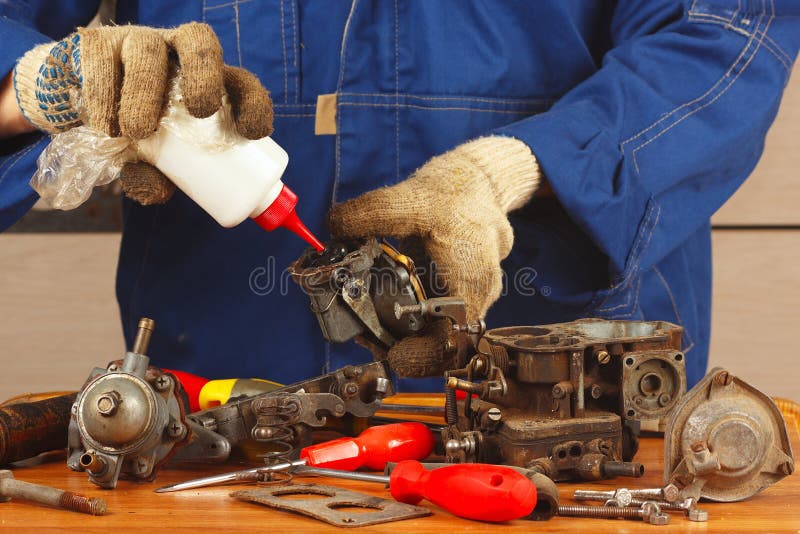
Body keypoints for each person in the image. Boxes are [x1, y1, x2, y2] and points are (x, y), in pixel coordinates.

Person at [1, 1, 797, 391]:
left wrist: (515, 169)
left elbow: (725, 29)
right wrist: (36, 87)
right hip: (221, 405)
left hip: (566, 402)